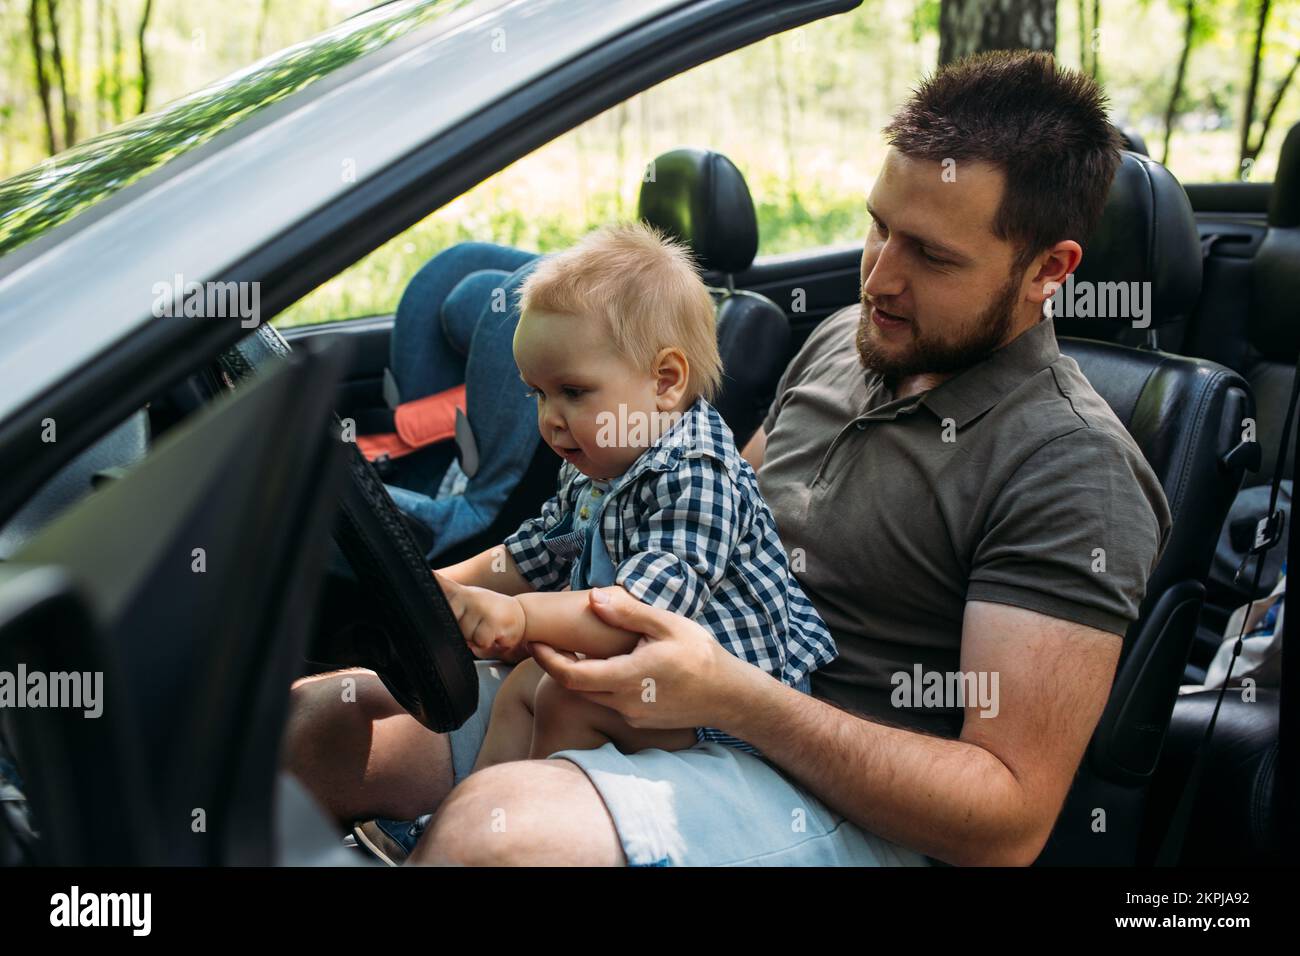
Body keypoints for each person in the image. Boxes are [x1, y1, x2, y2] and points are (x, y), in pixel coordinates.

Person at [285, 50, 1172, 866]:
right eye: (879, 227)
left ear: (1050, 269)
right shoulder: (845, 342)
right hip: (680, 702)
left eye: (931, 255)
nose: (878, 279)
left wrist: (735, 697)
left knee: (494, 833)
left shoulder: (1075, 468)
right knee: (314, 722)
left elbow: (1008, 818)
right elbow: (708, 515)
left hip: (841, 804)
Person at [434, 222, 836, 770]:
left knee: (565, 697)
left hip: (732, 719)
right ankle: (472, 812)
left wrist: (521, 618)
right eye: (538, 394)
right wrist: (442, 587)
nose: (550, 420)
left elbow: (637, 616)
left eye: (573, 392)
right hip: (652, 675)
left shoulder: (699, 475)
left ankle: (528, 820)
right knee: (526, 682)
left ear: (665, 381)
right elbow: (536, 552)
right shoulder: (599, 458)